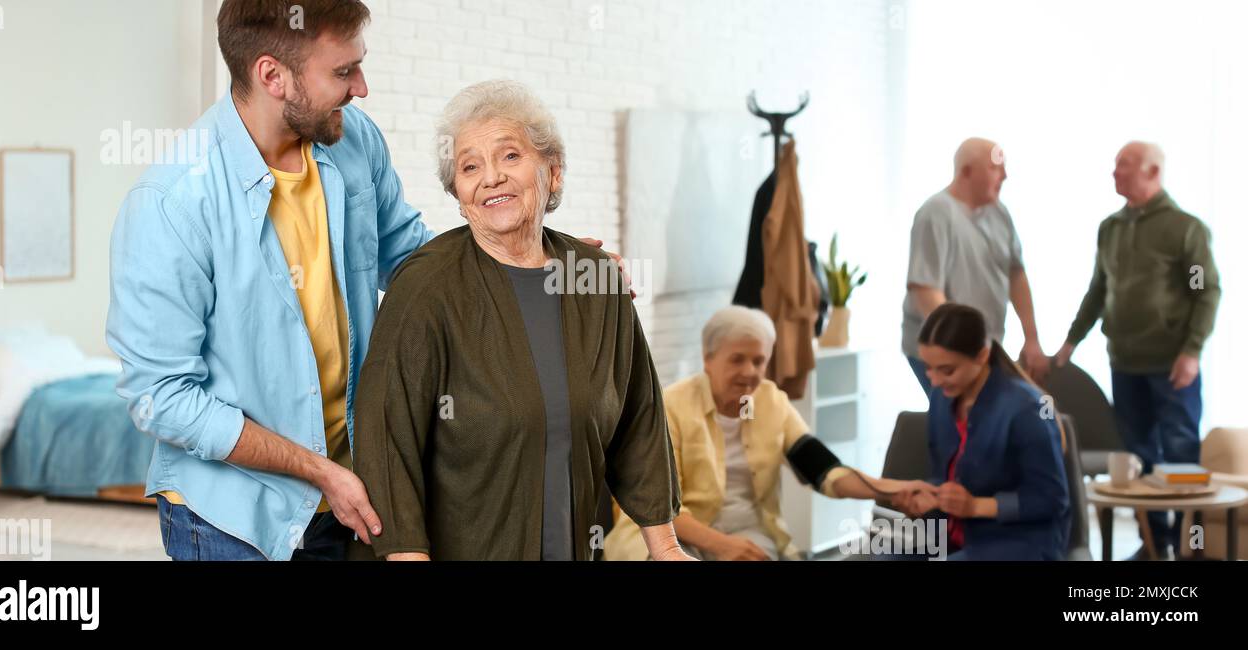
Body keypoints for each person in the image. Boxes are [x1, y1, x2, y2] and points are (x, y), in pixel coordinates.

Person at [107, 0, 623, 561]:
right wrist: (319, 471)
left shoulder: (353, 142)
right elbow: (161, 397)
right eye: (342, 71)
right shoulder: (172, 203)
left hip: (351, 495)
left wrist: (537, 261)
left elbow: (411, 259)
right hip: (234, 519)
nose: (362, 87)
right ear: (272, 76)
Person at [350, 80, 692, 561]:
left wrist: (667, 547)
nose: (491, 177)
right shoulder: (425, 287)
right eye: (470, 166)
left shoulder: (594, 278)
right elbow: (386, 438)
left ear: (552, 172)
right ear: (458, 192)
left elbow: (640, 420)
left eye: (510, 156)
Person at [603, 306, 934, 561]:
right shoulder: (670, 406)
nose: (750, 372)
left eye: (759, 361)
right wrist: (722, 546)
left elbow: (824, 471)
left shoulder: (771, 401)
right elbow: (658, 506)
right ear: (708, 358)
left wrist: (895, 490)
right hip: (669, 536)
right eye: (738, 360)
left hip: (749, 533)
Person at [1054, 141, 1221, 560]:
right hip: (1124, 364)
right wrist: (1071, 341)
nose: (1114, 173)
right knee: (1140, 460)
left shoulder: (1186, 229)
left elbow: (1204, 291)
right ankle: (1154, 543)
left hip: (1172, 366)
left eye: (1123, 167)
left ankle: (1190, 547)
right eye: (1115, 166)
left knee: (1181, 458)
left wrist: (1192, 350)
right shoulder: (1110, 228)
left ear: (1152, 172)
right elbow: (1098, 291)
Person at [894, 303, 1071, 561]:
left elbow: (1051, 499)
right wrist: (926, 498)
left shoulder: (1028, 409)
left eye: (947, 370)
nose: (934, 380)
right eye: (928, 368)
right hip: (959, 534)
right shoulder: (942, 400)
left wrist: (976, 506)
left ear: (982, 356)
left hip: (1021, 542)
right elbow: (948, 477)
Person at [902, 138, 1048, 395]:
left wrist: (1031, 338)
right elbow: (925, 290)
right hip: (945, 353)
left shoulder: (999, 213)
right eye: (996, 168)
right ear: (967, 172)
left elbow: (1016, 274)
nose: (1004, 176)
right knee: (958, 425)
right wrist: (960, 349)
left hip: (981, 350)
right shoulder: (936, 213)